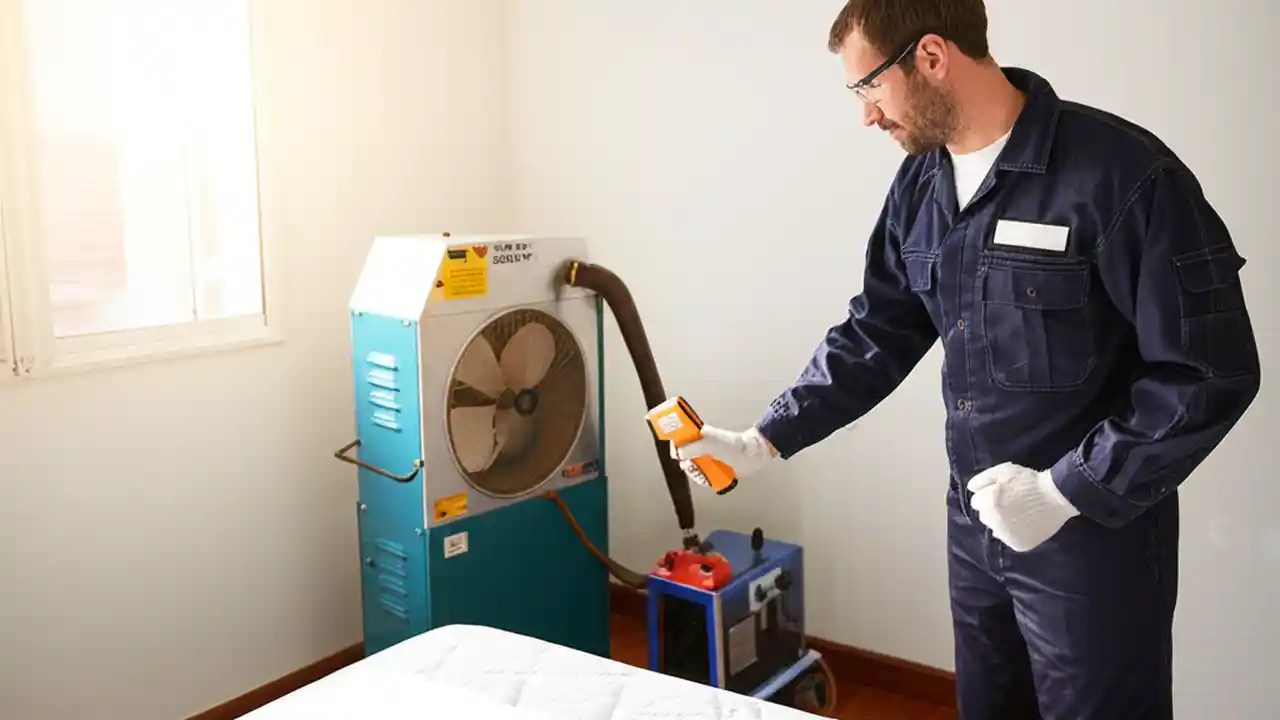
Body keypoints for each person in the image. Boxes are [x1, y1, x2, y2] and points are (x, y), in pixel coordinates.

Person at [670, 1, 1262, 718]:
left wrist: (1063, 491)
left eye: (869, 88)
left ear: (930, 57)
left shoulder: (1123, 176)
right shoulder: (923, 184)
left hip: (1092, 539)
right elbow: (879, 330)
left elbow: (1207, 371)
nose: (866, 116)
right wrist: (764, 438)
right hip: (975, 528)